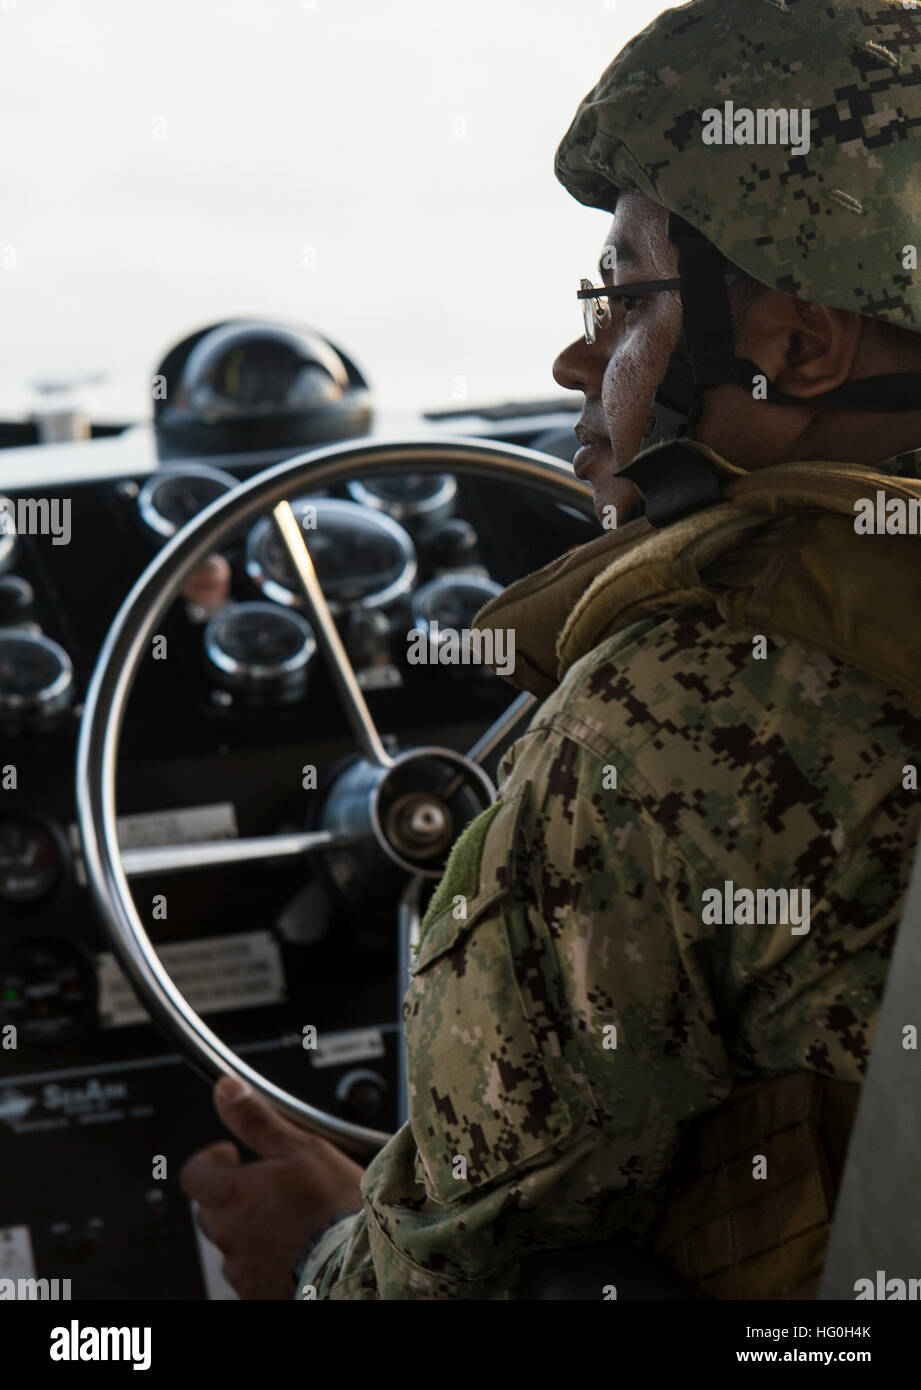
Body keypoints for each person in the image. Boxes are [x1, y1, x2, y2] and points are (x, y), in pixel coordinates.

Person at [180, 0, 921, 1299]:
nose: (575, 353)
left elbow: (454, 1278)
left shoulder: (684, 700)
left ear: (794, 346)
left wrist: (309, 1249)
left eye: (623, 293)